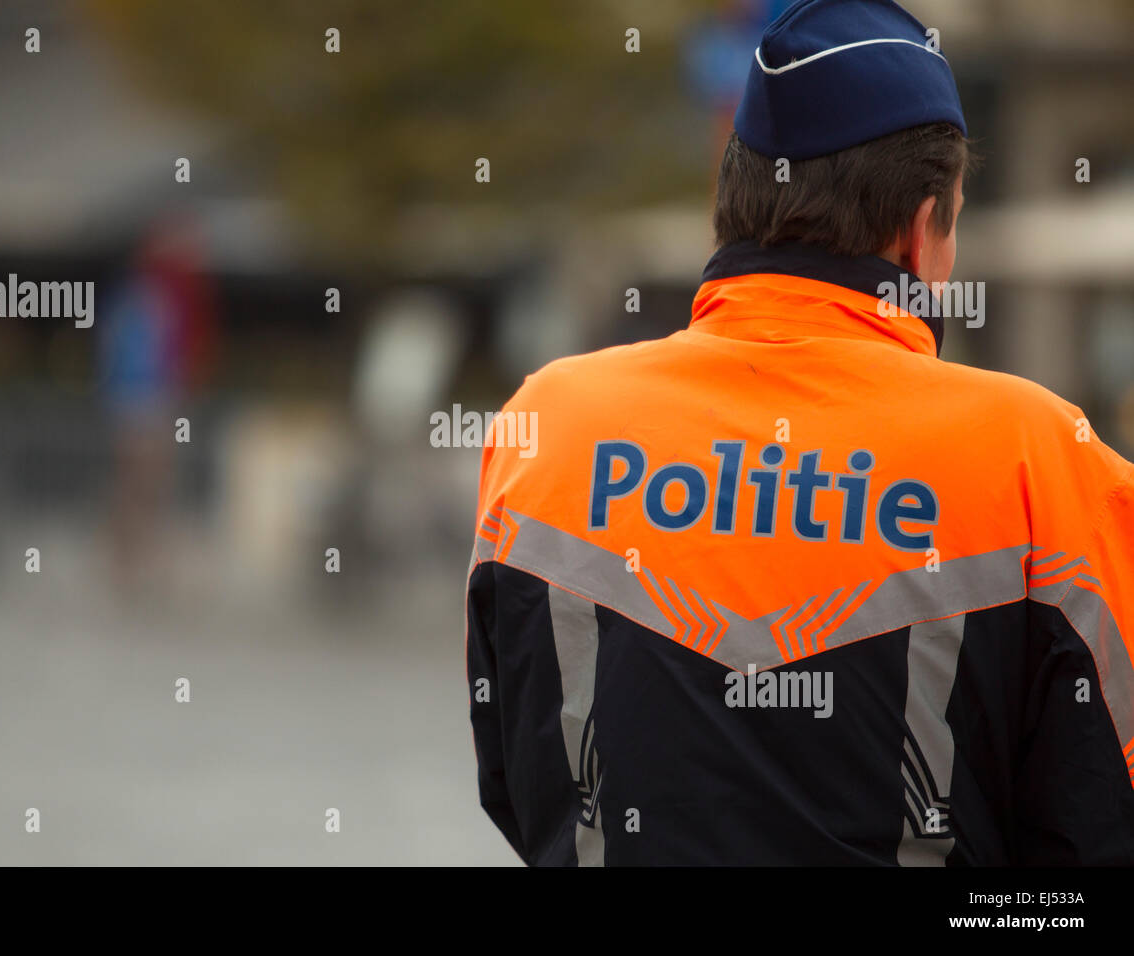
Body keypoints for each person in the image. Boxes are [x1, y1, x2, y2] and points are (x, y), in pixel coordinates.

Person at [465, 0, 1134, 865]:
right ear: (922, 230)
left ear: (732, 204)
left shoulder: (544, 423)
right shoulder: (1043, 455)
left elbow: (516, 783)